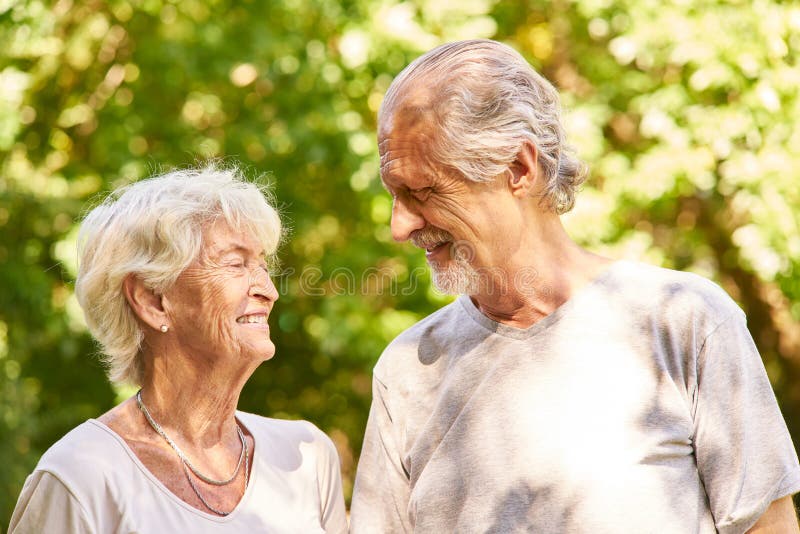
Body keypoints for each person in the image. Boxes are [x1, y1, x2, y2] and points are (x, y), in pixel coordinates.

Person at [349, 39, 800, 533]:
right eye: (394, 195)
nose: (400, 226)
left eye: (422, 191)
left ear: (518, 168)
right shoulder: (406, 370)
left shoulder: (685, 322)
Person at [9, 165, 348, 533]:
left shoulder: (308, 457)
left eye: (263, 265)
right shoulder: (80, 477)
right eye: (236, 264)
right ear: (152, 300)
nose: (269, 290)